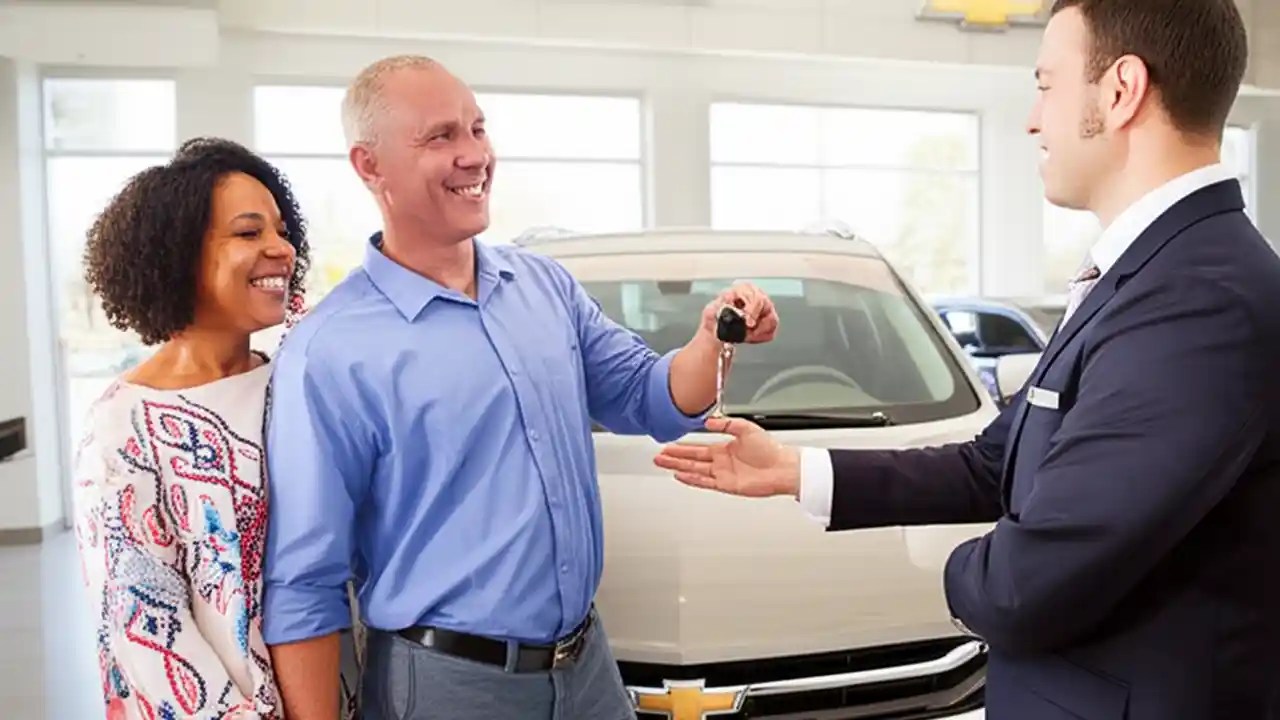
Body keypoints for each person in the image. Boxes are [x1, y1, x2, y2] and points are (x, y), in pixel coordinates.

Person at [655, 1, 1280, 718]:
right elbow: (998, 462)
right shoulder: (1151, 271)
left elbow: (1026, 584)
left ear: (1120, 91)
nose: (1032, 119)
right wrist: (796, 471)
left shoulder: (1200, 300)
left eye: (1047, 84)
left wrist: (932, 577)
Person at [260, 54, 779, 720]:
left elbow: (650, 396)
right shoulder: (330, 350)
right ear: (370, 166)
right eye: (441, 137)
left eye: (477, 129)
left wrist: (714, 338)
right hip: (448, 687)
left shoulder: (544, 287)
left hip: (588, 671)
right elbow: (305, 582)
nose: (474, 154)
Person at [70, 137, 361, 719]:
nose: (281, 249)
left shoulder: (301, 386)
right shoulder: (125, 426)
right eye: (249, 233)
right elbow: (146, 627)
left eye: (281, 231)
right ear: (176, 254)